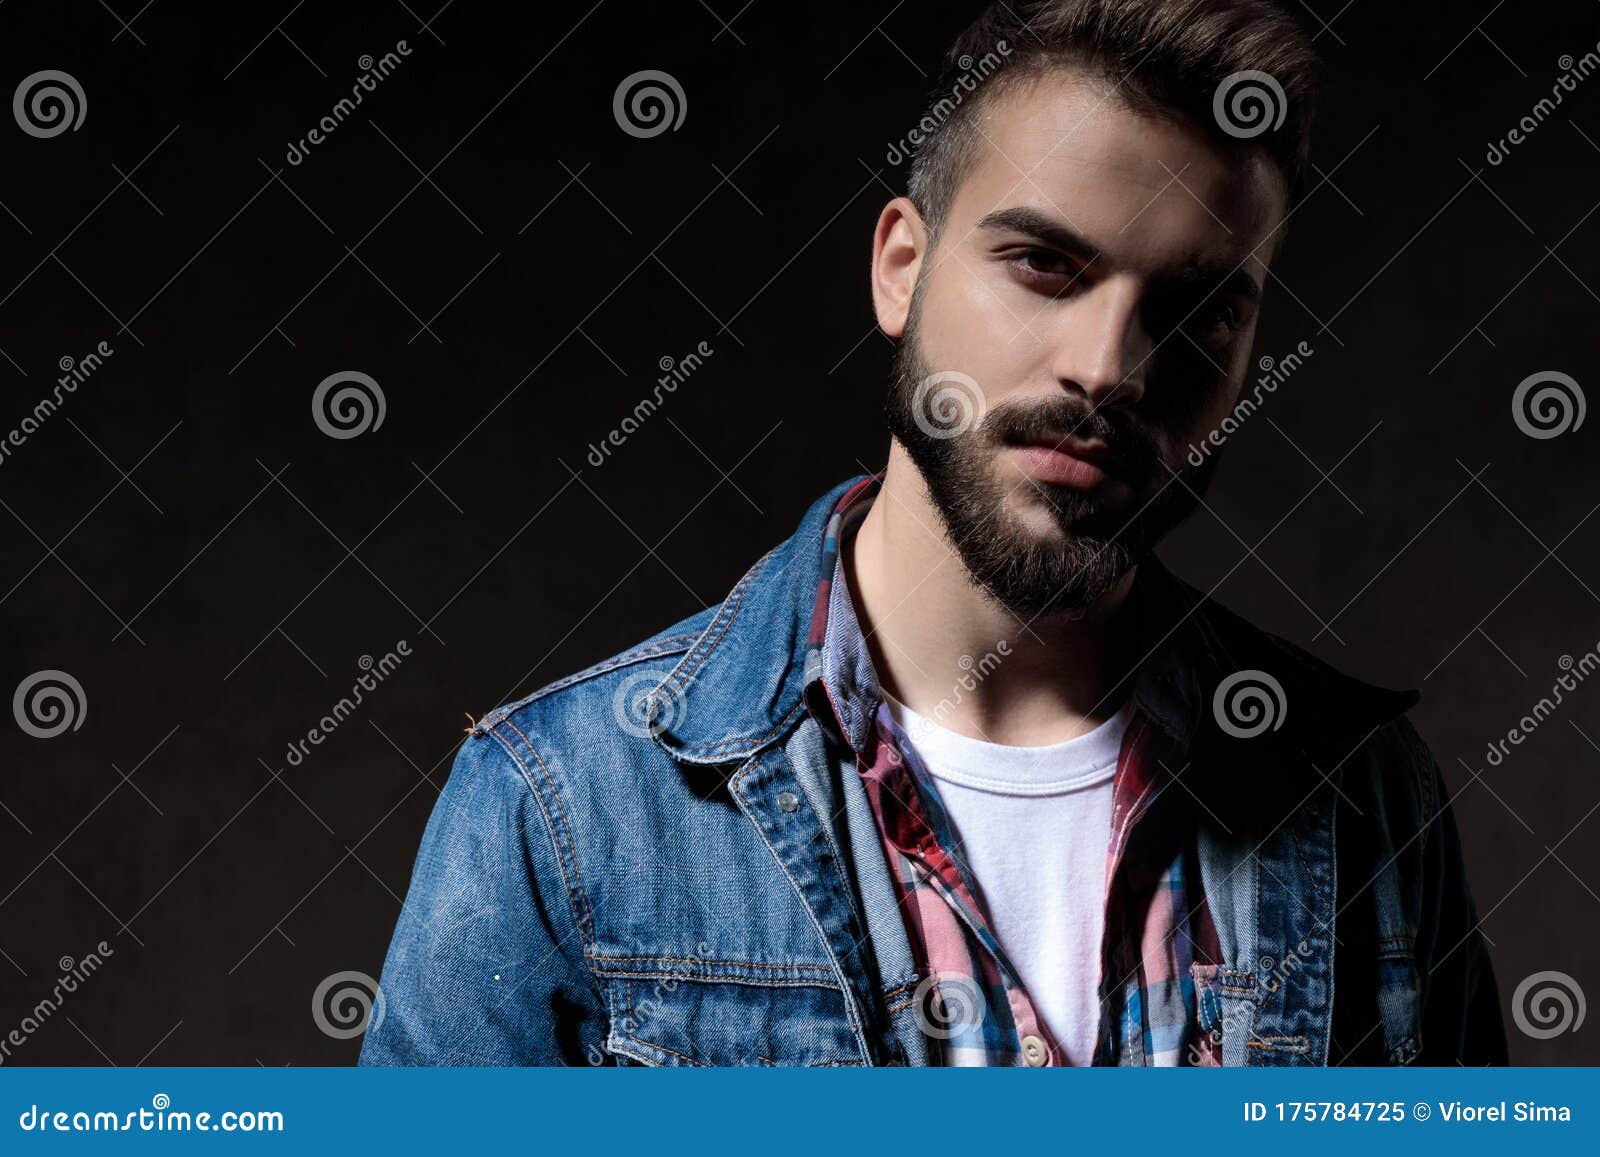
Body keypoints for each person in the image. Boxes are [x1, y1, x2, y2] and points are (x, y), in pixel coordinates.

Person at [362, 0, 1506, 1067]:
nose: (1110, 369)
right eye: (1043, 265)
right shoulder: (565, 802)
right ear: (900, 268)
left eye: (1198, 310)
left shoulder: (1361, 795)